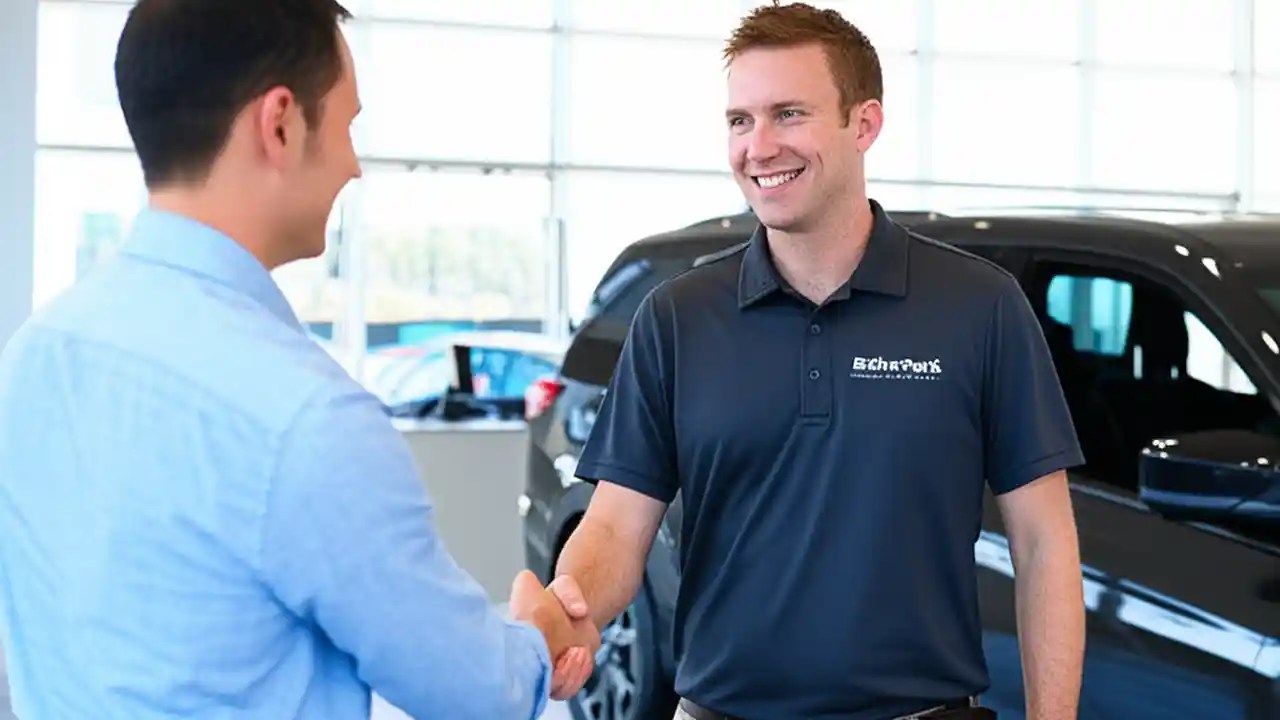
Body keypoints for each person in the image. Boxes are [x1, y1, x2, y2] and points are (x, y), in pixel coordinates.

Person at [0, 1, 595, 718]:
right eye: (346, 125)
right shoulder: (305, 418)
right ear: (279, 123)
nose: (352, 167)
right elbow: (475, 692)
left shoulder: (39, 352)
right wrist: (540, 627)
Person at [548, 3, 1087, 719]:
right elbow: (615, 526)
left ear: (864, 124)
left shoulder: (980, 307)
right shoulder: (678, 318)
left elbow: (1044, 542)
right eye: (740, 120)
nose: (758, 146)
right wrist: (564, 610)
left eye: (788, 114)